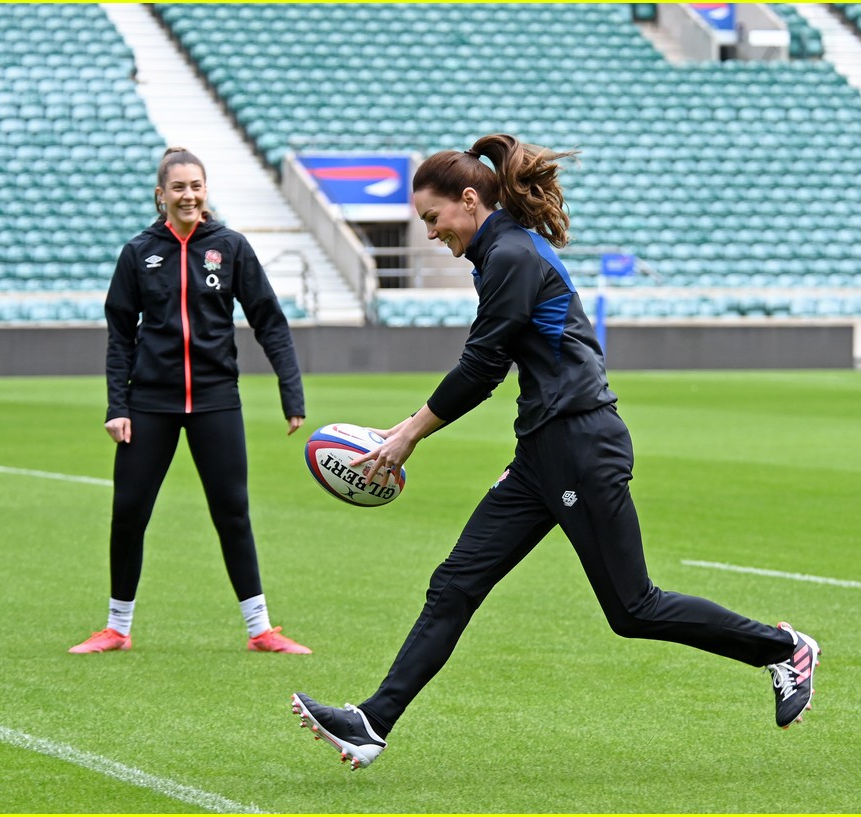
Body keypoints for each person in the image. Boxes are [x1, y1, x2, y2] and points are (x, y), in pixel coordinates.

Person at [290, 134, 820, 770]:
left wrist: (406, 433)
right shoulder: (499, 253)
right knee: (455, 582)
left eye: (433, 219)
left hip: (581, 443)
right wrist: (529, 449)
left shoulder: (511, 255)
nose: (431, 233)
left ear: (467, 201)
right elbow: (522, 365)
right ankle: (372, 723)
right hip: (546, 447)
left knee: (633, 608)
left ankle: (782, 648)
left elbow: (481, 367)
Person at [69, 147, 312, 655]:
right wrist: (117, 407)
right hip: (148, 405)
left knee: (233, 512)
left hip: (215, 399)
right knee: (130, 510)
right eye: (178, 187)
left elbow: (269, 319)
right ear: (161, 196)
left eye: (196, 186)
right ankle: (116, 628)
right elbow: (120, 336)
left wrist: (291, 392)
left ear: (206, 191)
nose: (189, 195)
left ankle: (260, 629)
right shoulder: (138, 252)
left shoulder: (231, 246)